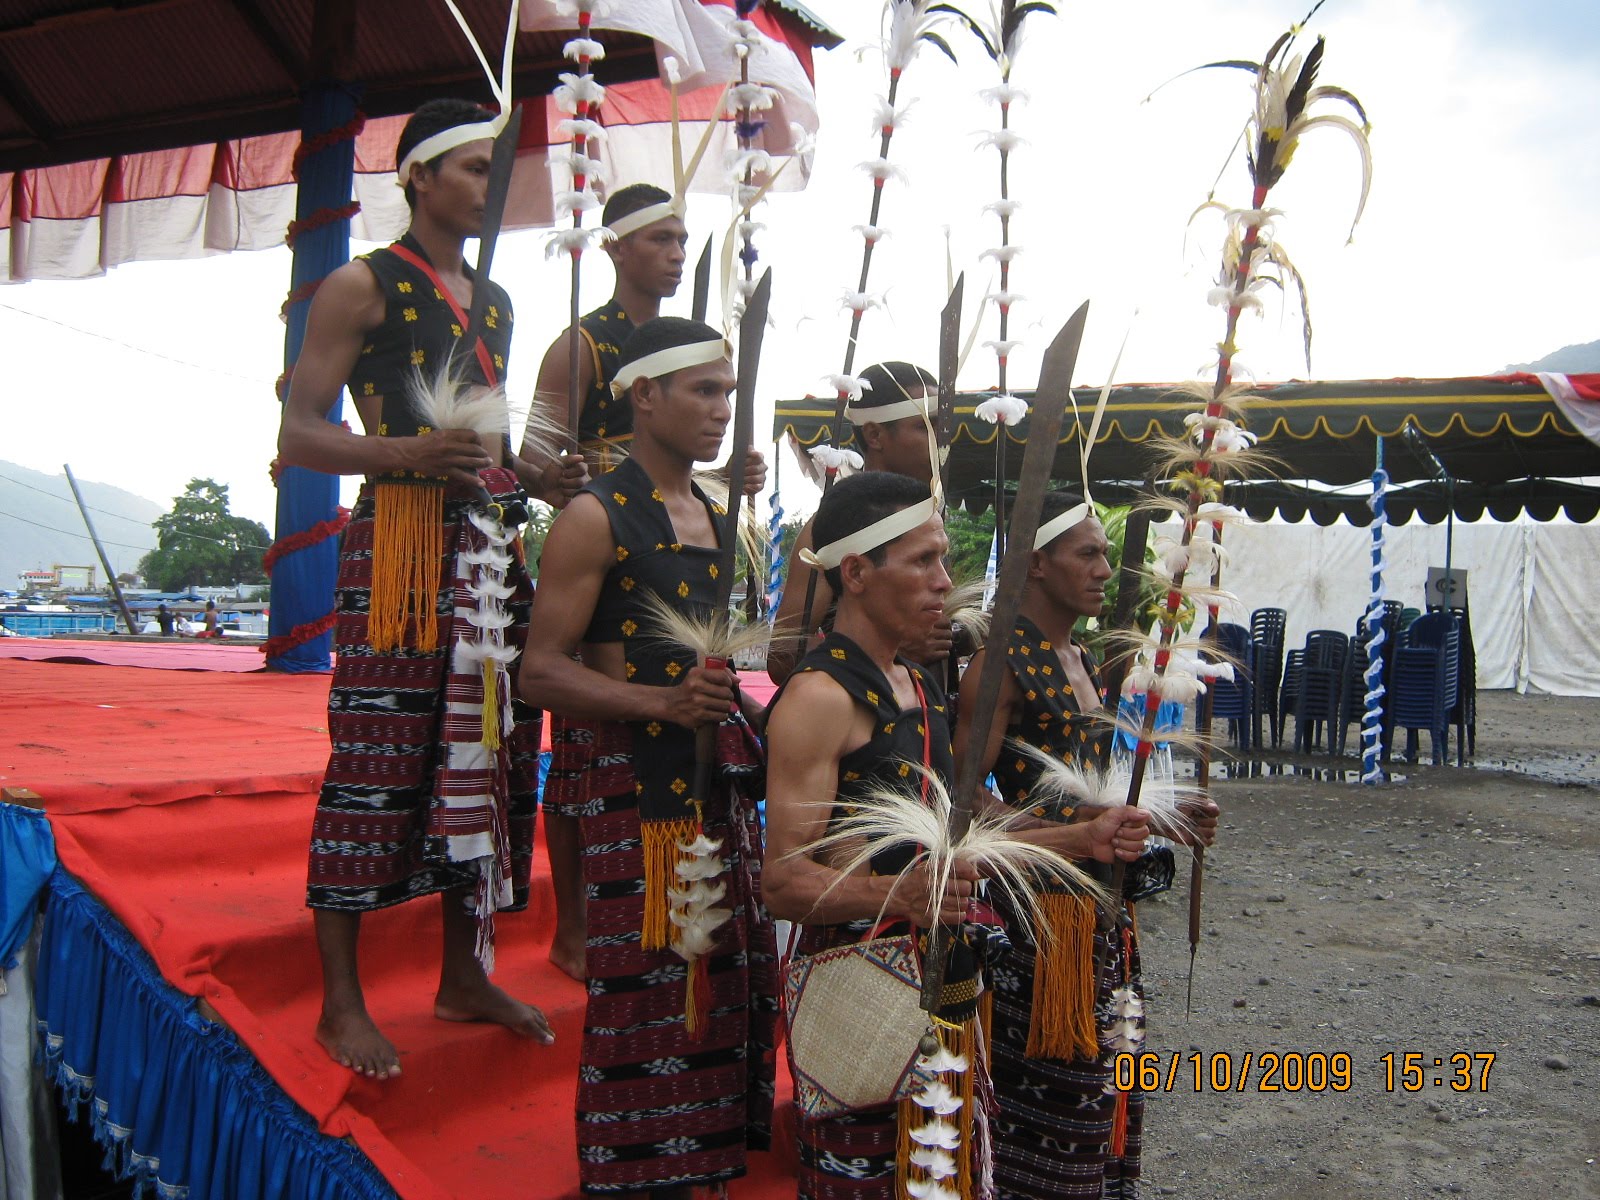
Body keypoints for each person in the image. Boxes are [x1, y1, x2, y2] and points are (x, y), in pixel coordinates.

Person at [277, 98, 580, 1081]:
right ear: (417, 176)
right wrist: (409, 452)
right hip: (399, 555)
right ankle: (340, 1005)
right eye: (474, 169)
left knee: (485, 756)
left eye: (495, 172)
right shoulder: (358, 285)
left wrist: (545, 478)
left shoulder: (495, 303)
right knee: (376, 759)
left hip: (489, 553)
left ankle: (463, 975)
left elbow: (491, 449)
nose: (490, 188)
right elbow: (298, 433)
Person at [763, 473, 1151, 1200]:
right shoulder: (820, 698)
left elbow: (964, 826)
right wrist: (898, 894)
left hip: (946, 987)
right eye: (923, 561)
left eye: (942, 559)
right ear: (856, 573)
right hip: (862, 992)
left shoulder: (914, 685)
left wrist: (1082, 839)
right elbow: (783, 884)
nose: (946, 581)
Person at [518, 317, 777, 1196]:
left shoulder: (718, 517)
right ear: (646, 396)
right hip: (632, 797)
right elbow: (539, 671)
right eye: (704, 391)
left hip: (715, 795)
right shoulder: (594, 516)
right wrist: (661, 704)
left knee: (719, 989)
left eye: (728, 392)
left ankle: (702, 1169)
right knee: (644, 999)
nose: (722, 410)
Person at [951, 491, 1219, 1199]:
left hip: (1101, 909)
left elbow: (1089, 790)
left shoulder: (1083, 657)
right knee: (1050, 1104)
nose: (1104, 569)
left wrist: (1164, 816)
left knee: (1104, 1090)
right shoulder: (999, 662)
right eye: (1087, 553)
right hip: (1040, 923)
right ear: (1037, 564)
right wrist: (1069, 834)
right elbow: (961, 800)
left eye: (1105, 553)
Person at [766, 362, 950, 686]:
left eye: (942, 427)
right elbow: (783, 657)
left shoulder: (932, 520)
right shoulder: (835, 527)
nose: (942, 440)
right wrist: (888, 649)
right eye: (926, 426)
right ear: (875, 435)